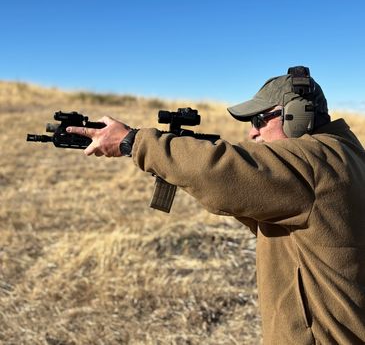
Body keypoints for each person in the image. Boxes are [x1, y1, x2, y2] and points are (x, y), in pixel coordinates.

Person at [66, 66, 365, 344]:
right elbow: (254, 199)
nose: (253, 131)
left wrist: (135, 142)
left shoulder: (311, 162)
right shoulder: (345, 152)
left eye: (261, 120)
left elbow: (219, 171)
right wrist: (176, 163)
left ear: (297, 117)